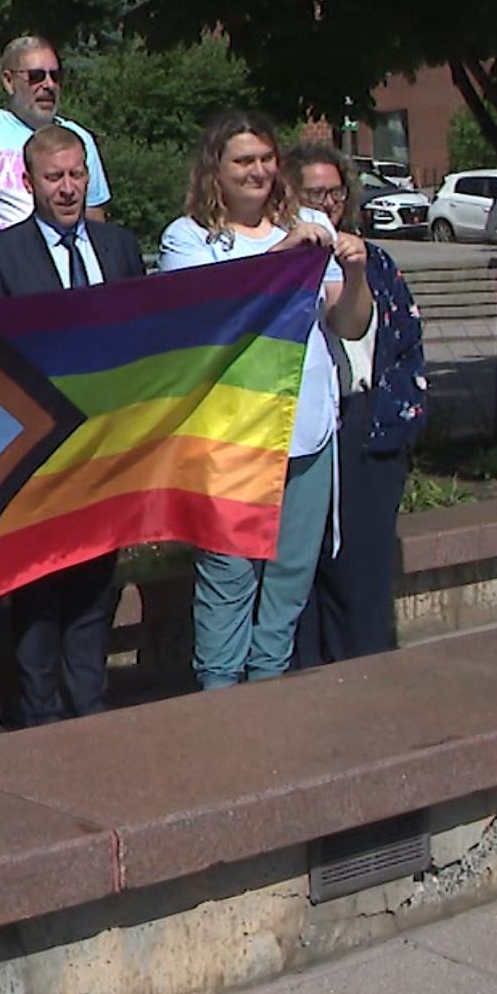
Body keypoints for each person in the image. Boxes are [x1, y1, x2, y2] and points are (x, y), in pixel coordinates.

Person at [157, 111, 370, 689]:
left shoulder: (305, 222)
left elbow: (347, 325)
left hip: (303, 430)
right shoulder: (188, 238)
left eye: (266, 159)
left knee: (289, 579)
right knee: (228, 577)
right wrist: (283, 260)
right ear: (216, 170)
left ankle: (268, 700)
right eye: (242, 161)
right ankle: (219, 701)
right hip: (230, 439)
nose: (258, 171)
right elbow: (217, 323)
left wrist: (354, 273)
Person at [0, 125, 146, 726]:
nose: (67, 189)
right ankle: (41, 718)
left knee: (94, 590)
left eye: (76, 175)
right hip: (37, 453)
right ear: (29, 181)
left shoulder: (118, 247)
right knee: (39, 595)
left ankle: (91, 709)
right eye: (54, 177)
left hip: (104, 450)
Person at [289, 146, 425, 666]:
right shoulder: (286, 258)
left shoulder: (373, 259)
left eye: (335, 193)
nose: (327, 205)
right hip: (309, 427)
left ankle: (367, 679)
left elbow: (404, 340)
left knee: (362, 572)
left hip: (367, 426)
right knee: (311, 571)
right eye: (313, 195)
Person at [0, 36, 111, 229]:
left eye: (55, 76)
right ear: (8, 81)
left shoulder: (78, 139)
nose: (49, 85)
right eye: (36, 76)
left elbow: (94, 216)